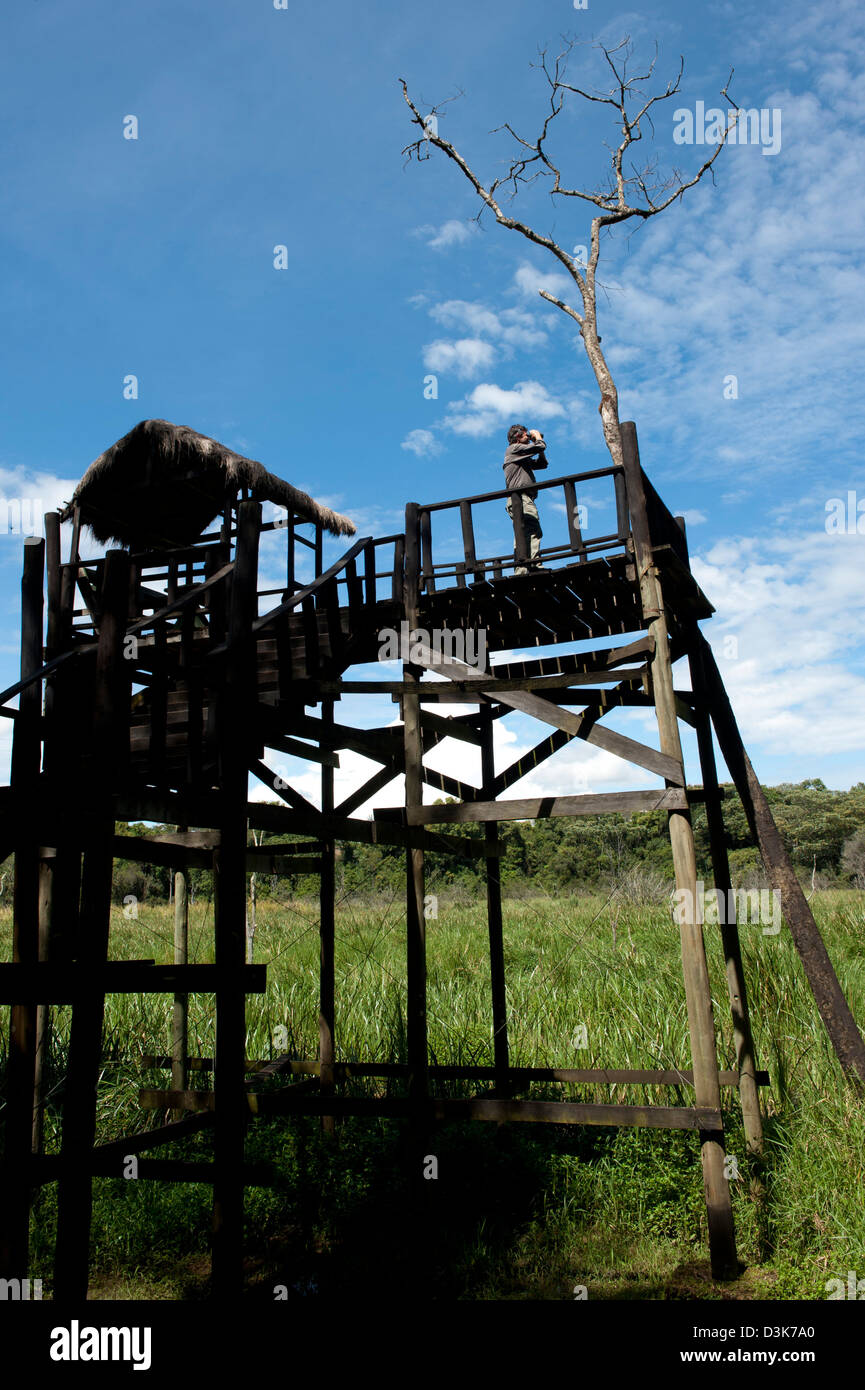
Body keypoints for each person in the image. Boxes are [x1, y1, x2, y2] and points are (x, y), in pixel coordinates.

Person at [502, 424, 549, 574]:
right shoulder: (513, 449)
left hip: (522, 499)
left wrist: (538, 444)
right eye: (525, 435)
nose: (528, 437)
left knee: (522, 531)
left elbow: (542, 464)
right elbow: (540, 446)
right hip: (520, 498)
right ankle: (531, 565)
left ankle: (523, 567)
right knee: (532, 529)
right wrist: (538, 438)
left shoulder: (521, 457)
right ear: (517, 436)